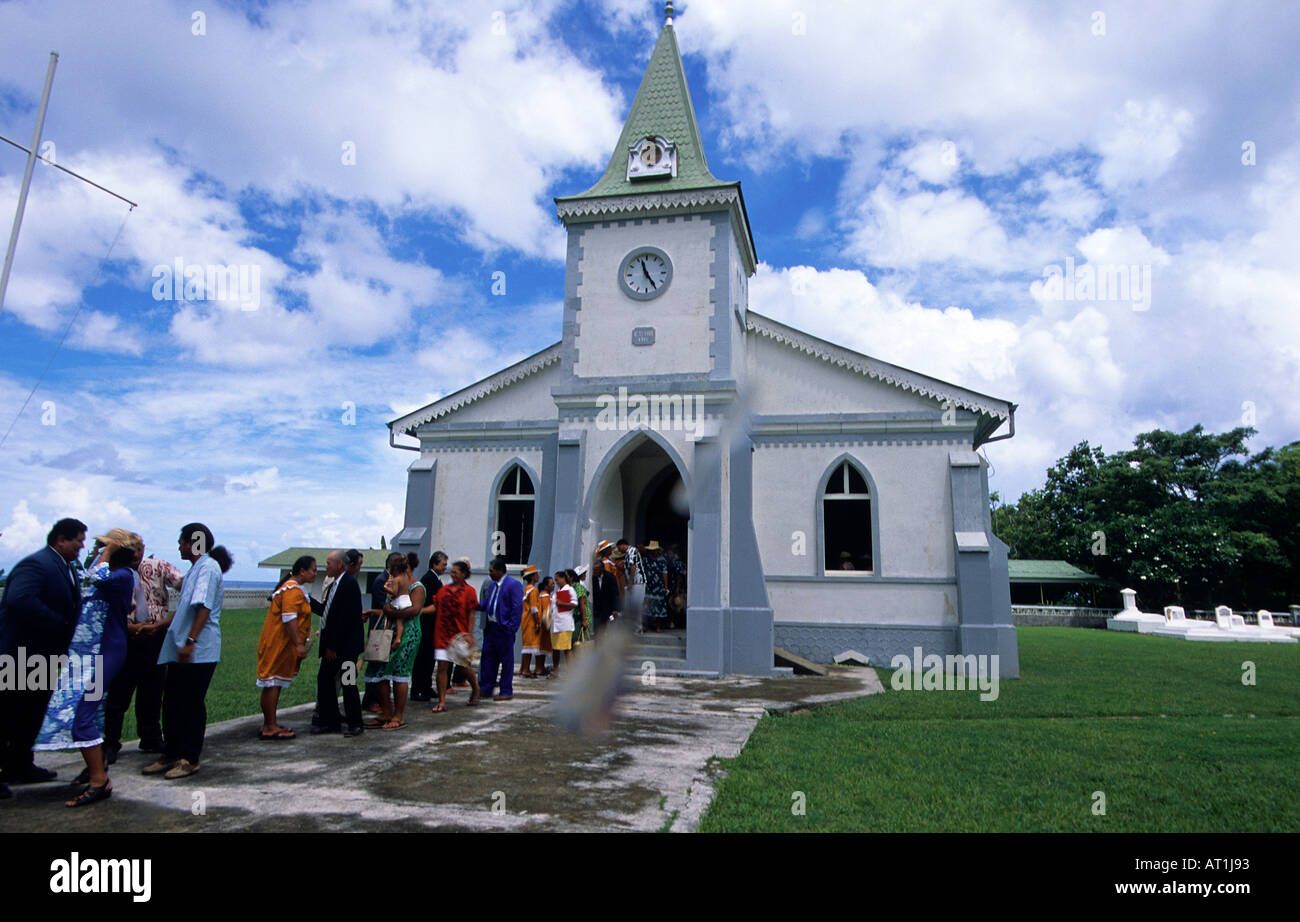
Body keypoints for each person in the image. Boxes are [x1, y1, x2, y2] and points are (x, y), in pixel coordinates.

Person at [33, 539, 137, 806]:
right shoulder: (108, 575)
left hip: (105, 656)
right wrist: (100, 553)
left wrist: (109, 549)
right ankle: (95, 769)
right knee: (89, 714)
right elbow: (89, 576)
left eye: (104, 550)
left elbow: (96, 575)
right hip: (88, 657)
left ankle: (99, 780)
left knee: (82, 717)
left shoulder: (123, 575)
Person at [0, 516, 87, 798]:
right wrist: (60, 625)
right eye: (78, 541)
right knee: (9, 716)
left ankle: (20, 765)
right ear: (61, 539)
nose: (81, 547)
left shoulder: (64, 566)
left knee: (30, 714)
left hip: (44, 657)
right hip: (22, 656)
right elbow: (19, 600)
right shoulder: (36, 564)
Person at [143, 523, 231, 781]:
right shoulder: (195, 570)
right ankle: (171, 752)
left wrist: (191, 640)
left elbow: (203, 607)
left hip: (199, 650)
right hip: (182, 647)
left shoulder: (208, 568)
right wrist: (155, 626)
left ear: (194, 543)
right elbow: (183, 610)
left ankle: (189, 758)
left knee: (191, 704)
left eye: (182, 542)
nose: (179, 546)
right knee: (171, 702)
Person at [104, 540, 183, 760]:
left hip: (155, 637)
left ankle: (151, 737)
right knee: (119, 692)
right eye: (131, 550)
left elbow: (185, 587)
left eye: (139, 549)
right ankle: (110, 742)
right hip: (126, 637)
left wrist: (166, 622)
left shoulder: (158, 567)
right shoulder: (117, 574)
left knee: (153, 690)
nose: (136, 554)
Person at [255, 555, 317, 740]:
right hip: (278, 644)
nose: (315, 573)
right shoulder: (291, 591)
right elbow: (289, 618)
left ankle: (271, 722)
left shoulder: (297, 590)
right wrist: (299, 644)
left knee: (277, 683)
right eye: (313, 569)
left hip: (284, 646)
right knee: (272, 683)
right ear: (302, 571)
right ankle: (269, 726)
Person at [364, 555, 423, 730]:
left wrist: (390, 612)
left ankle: (398, 714)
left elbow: (413, 610)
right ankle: (386, 711)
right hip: (388, 632)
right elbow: (389, 607)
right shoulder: (395, 583)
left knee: (399, 672)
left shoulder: (416, 587)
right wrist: (375, 612)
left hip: (408, 634)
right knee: (378, 670)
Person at [314, 550, 366, 736]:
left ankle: (355, 723)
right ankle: (331, 721)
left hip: (345, 647)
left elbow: (344, 619)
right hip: (335, 645)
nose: (326, 566)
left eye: (329, 563)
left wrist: (332, 646)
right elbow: (328, 611)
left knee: (348, 682)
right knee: (325, 682)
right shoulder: (335, 584)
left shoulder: (348, 584)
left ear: (339, 565)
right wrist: (307, 601)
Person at [430, 560, 481, 712]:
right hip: (442, 633)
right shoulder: (444, 590)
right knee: (442, 667)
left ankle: (475, 688)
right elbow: (435, 606)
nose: (452, 574)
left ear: (464, 574)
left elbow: (472, 613)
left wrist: (469, 634)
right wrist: (417, 610)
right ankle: (442, 701)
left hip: (459, 634)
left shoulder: (469, 591)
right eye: (451, 572)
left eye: (455, 572)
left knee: (463, 666)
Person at [476, 557, 522, 701]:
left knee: (506, 661)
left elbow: (517, 607)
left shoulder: (513, 585)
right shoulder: (492, 585)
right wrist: (475, 605)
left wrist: (510, 627)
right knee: (489, 658)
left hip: (504, 628)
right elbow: (489, 602)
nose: (490, 574)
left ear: (500, 570)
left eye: (492, 571)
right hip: (491, 628)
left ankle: (506, 690)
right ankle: (487, 687)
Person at [411, 551, 448, 701]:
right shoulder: (429, 579)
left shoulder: (436, 579)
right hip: (426, 624)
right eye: (443, 564)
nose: (445, 567)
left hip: (434, 625)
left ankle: (426, 686)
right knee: (422, 658)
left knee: (429, 659)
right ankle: (418, 689)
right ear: (434, 564)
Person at [549, 570, 576, 678]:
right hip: (555, 623)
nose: (556, 582)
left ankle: (571, 673)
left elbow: (574, 604)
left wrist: (562, 604)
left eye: (557, 579)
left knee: (566, 649)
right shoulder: (557, 592)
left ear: (563, 578)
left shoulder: (570, 590)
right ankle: (556, 670)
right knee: (555, 649)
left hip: (565, 623)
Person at [591, 541, 620, 639]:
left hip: (608, 607)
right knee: (598, 630)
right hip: (599, 608)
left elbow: (614, 593)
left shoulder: (609, 577)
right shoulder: (595, 577)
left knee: (608, 629)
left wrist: (615, 608)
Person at [518, 565, 542, 678]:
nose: (538, 576)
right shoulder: (533, 590)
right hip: (531, 621)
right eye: (536, 574)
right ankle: (526, 669)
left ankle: (523, 668)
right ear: (533, 577)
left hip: (525, 620)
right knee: (530, 646)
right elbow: (534, 609)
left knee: (526, 646)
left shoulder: (526, 589)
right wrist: (537, 622)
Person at [642, 541, 670, 631]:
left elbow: (665, 573)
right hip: (649, 585)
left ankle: (658, 626)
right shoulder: (646, 559)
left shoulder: (662, 560)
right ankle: (645, 625)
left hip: (659, 585)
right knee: (647, 605)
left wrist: (665, 586)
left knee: (659, 605)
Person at [568, 567, 591, 650]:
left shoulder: (578, 586)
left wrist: (584, 620)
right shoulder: (573, 586)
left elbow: (582, 603)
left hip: (581, 616)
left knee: (579, 639)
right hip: (577, 616)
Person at [536, 575, 555, 675]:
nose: (553, 586)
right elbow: (546, 612)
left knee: (542, 648)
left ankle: (540, 667)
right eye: (552, 584)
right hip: (544, 626)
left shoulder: (543, 596)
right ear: (546, 586)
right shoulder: (545, 597)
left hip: (543, 625)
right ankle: (539, 668)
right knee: (542, 647)